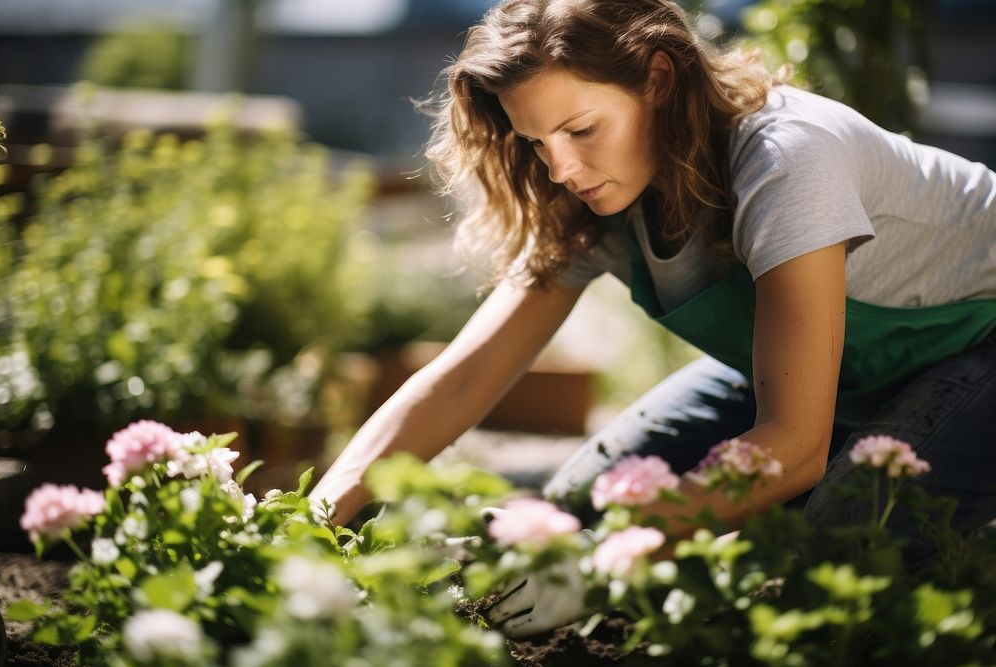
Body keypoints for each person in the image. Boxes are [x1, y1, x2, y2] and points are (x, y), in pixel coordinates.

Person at [310, 0, 996, 637]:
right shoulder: (594, 198)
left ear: (660, 79)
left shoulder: (787, 162)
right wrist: (317, 518)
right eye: (538, 143)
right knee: (574, 506)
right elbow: (462, 379)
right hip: (852, 372)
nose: (561, 169)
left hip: (980, 346)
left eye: (581, 129)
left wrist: (609, 558)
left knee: (841, 547)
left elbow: (793, 440)